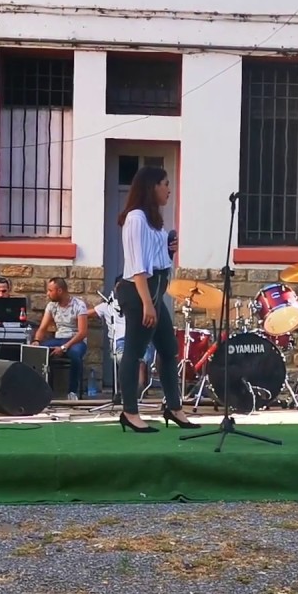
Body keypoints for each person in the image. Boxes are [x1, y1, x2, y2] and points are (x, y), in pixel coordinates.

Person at [115, 166, 197, 432]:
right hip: (140, 293)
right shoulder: (136, 218)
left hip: (154, 292)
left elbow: (159, 263)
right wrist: (148, 304)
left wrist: (169, 250)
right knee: (135, 353)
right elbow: (138, 265)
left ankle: (174, 408)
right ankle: (129, 411)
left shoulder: (154, 221)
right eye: (166, 183)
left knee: (169, 350)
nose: (169, 189)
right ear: (152, 187)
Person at [31, 277, 89, 400]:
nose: (47, 294)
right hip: (59, 338)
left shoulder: (79, 305)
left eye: (50, 290)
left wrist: (64, 347)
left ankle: (72, 392)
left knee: (75, 355)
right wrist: (36, 341)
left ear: (60, 291)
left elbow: (82, 332)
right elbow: (43, 328)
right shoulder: (52, 306)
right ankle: (44, 390)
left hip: (76, 340)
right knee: (39, 352)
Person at [91, 284, 155, 392]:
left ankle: (138, 388)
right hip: (119, 340)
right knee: (124, 358)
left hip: (136, 338)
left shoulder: (137, 304)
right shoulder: (107, 306)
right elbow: (86, 314)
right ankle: (129, 389)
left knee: (141, 357)